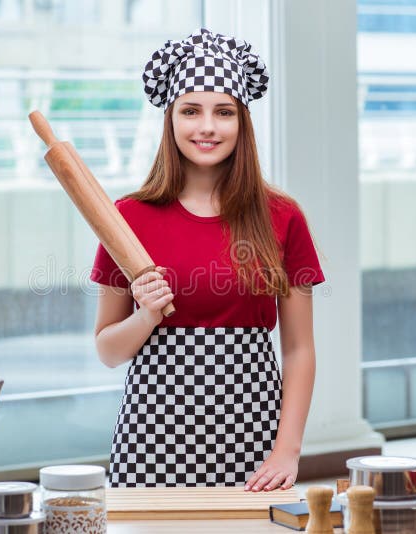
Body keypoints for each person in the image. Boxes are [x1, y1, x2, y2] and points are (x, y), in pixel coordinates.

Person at [91, 28, 324, 491]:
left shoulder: (283, 216)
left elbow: (298, 349)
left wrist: (287, 450)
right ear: (170, 119)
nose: (207, 127)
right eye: (191, 111)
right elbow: (108, 350)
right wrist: (147, 315)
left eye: (224, 112)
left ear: (242, 122)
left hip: (254, 437)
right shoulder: (126, 218)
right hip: (150, 444)